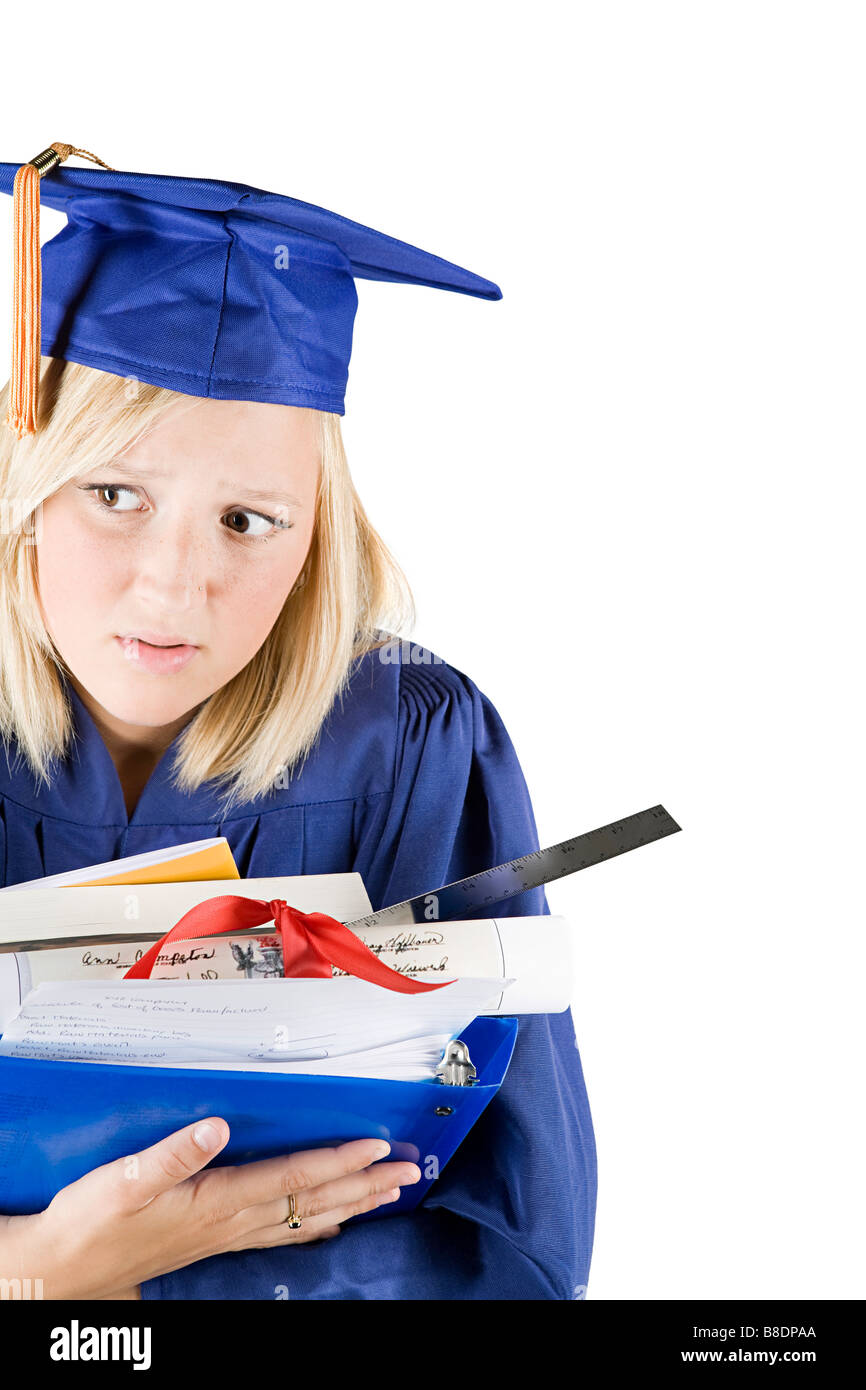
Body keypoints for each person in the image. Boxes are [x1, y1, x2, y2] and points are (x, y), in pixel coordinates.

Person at [0, 145, 597, 1300]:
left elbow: (511, 1238)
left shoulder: (412, 746)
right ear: (25, 478)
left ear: (320, 533)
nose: (173, 588)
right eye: (113, 494)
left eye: (249, 519)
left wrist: (144, 1287)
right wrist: (39, 1272)